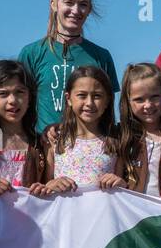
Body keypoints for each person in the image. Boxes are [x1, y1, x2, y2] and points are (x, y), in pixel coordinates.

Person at [18, 0, 118, 133]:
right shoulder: (32, 53)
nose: (76, 10)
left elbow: (109, 112)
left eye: (83, 4)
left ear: (89, 9)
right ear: (54, 4)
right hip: (45, 148)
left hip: (91, 150)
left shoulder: (101, 56)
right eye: (69, 2)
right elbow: (21, 106)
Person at [0, 60, 49, 196]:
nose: (12, 100)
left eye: (19, 92)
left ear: (30, 97)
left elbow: (49, 184)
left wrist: (47, 187)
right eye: (3, 94)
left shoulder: (40, 145)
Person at [42, 66, 125, 194]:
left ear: (107, 100)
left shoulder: (116, 140)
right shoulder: (54, 139)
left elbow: (121, 189)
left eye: (97, 96)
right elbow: (45, 186)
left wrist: (120, 184)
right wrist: (51, 185)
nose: (89, 103)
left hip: (102, 213)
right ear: (68, 98)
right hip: (64, 213)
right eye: (82, 95)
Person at [116, 63, 161, 196]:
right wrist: (58, 128)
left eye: (154, 97)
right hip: (134, 213)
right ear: (128, 102)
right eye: (139, 100)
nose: (148, 105)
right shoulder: (121, 135)